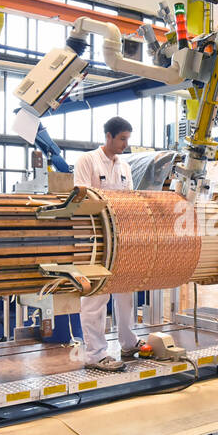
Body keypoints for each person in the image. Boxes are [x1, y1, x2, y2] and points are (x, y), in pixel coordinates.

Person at [74, 116, 145, 371]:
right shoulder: (87, 161)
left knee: (125, 294)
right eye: (122, 139)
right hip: (95, 240)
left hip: (121, 240)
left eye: (128, 139)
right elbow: (82, 199)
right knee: (96, 297)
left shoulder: (124, 167)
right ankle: (95, 354)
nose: (125, 144)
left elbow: (130, 201)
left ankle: (128, 343)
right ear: (108, 136)